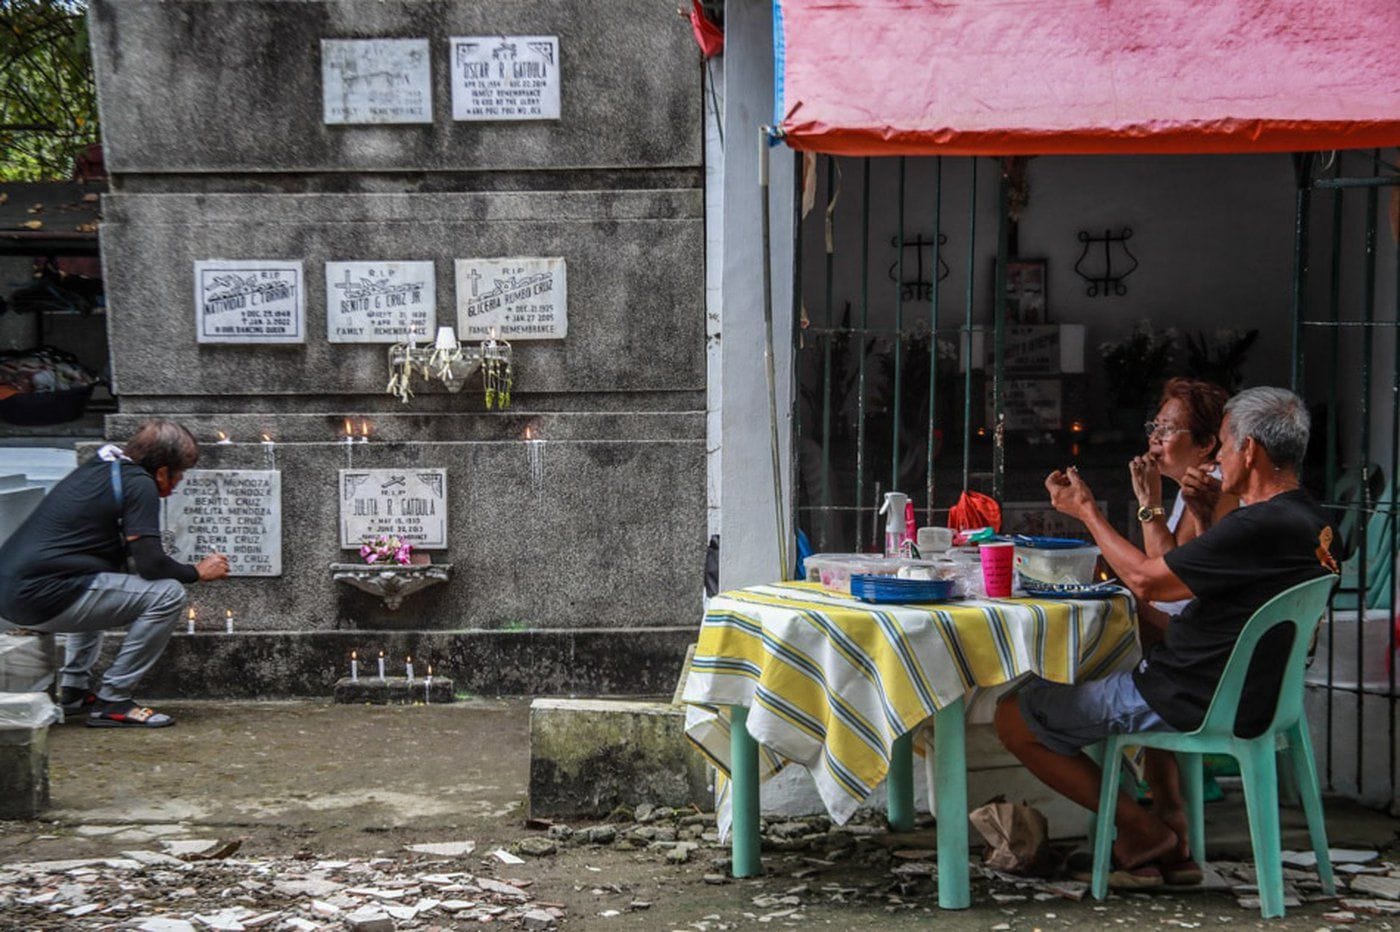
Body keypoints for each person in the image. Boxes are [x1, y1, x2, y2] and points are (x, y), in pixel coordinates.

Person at [994, 387, 1338, 887]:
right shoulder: (1315, 521)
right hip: (1261, 697)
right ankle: (1159, 829)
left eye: (1222, 444)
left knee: (1013, 716)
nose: (1219, 457)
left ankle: (1143, 828)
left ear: (1249, 451)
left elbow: (1148, 583)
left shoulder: (1255, 525)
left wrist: (1088, 511)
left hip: (1191, 693)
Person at [0, 420, 229, 728]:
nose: (178, 483)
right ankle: (114, 698)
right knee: (168, 594)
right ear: (161, 471)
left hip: (16, 595)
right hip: (39, 596)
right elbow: (152, 566)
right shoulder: (140, 483)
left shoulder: (103, 468)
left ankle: (75, 690)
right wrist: (196, 571)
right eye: (179, 474)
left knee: (103, 581)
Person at [1129, 378, 1238, 638]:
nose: (1155, 437)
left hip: (1189, 631)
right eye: (1154, 426)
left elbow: (1166, 575)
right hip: (1174, 617)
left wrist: (1149, 502)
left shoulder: (1211, 485)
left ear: (1206, 445)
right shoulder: (1189, 482)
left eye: (1167, 429)